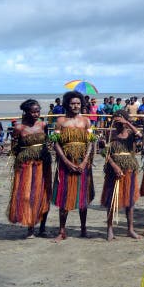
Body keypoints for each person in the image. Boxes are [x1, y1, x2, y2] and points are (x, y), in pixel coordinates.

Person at [52, 91, 94, 241]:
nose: (75, 106)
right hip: (65, 165)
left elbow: (91, 142)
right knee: (64, 197)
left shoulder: (86, 121)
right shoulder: (61, 121)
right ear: (67, 104)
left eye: (78, 103)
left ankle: (83, 229)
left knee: (83, 197)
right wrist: (66, 161)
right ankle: (62, 231)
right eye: (72, 103)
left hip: (83, 164)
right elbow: (55, 143)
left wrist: (84, 161)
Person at [7, 100, 51, 238]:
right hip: (26, 166)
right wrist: (23, 159)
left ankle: (42, 228)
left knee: (43, 195)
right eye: (33, 112)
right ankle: (30, 228)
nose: (36, 114)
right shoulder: (19, 128)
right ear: (26, 112)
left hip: (43, 164)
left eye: (38, 111)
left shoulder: (43, 125)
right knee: (28, 195)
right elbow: (14, 148)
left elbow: (47, 142)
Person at [100, 110, 141, 241]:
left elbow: (140, 136)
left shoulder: (131, 134)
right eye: (116, 121)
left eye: (121, 120)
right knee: (111, 200)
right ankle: (109, 229)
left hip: (129, 169)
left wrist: (128, 123)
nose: (119, 123)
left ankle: (130, 229)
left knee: (130, 200)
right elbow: (104, 152)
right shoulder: (110, 134)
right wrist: (114, 166)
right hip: (113, 172)